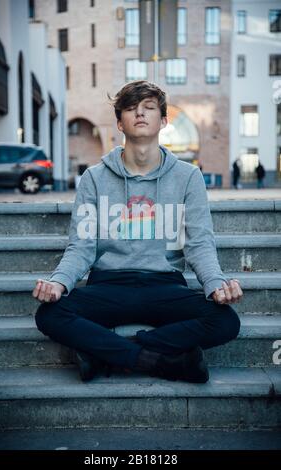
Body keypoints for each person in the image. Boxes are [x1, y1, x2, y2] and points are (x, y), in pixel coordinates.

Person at [33, 80, 242, 384]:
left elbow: (199, 243)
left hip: (164, 285)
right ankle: (159, 361)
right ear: (120, 122)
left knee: (225, 322)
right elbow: (81, 245)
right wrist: (59, 282)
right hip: (109, 284)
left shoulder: (188, 177)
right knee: (48, 314)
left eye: (149, 108)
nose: (140, 114)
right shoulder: (94, 178)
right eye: (131, 108)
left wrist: (215, 283)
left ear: (164, 120)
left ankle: (106, 354)